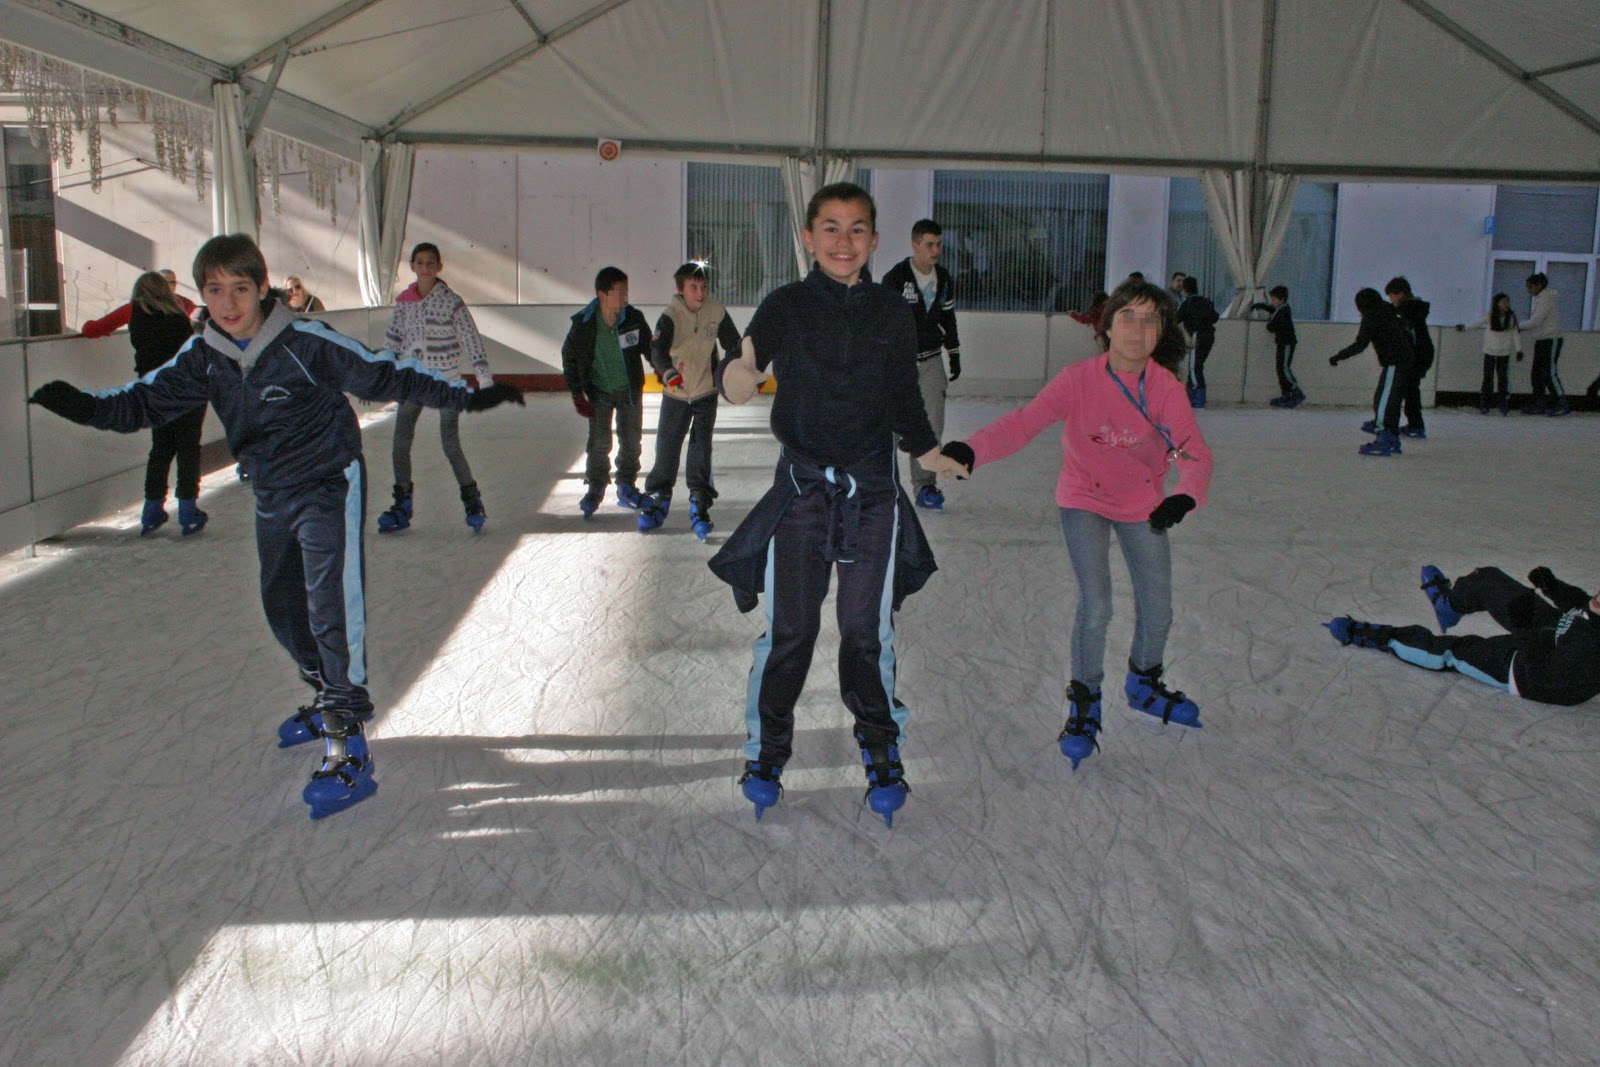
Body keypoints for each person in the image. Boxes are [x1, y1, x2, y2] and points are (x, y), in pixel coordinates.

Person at [28, 234, 525, 819]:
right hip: (270, 488)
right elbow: (141, 403)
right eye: (215, 290)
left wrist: (465, 399)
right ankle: (323, 692)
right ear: (202, 295)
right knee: (280, 606)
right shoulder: (204, 355)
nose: (229, 302)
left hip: (327, 481)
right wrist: (80, 405)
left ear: (262, 288)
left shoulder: (303, 342)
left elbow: (383, 374)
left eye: (240, 288)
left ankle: (348, 742)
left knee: (329, 606)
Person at [708, 181, 961, 825]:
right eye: (830, 227)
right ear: (808, 236)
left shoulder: (891, 312)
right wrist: (738, 376)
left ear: (874, 240)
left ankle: (880, 745)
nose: (843, 241)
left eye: (856, 230)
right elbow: (749, 360)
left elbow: (905, 396)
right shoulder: (787, 304)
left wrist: (928, 452)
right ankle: (767, 748)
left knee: (864, 631)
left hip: (873, 493)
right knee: (790, 631)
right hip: (801, 493)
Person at [937, 277, 1214, 771]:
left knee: (1159, 605)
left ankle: (1143, 684)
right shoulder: (1079, 379)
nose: (1138, 328)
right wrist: (972, 448)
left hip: (1143, 503)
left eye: (1151, 319)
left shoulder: (1166, 389)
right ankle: (1084, 703)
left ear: (1160, 332)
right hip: (1083, 498)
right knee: (1097, 604)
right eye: (1128, 316)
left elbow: (1192, 449)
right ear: (1107, 327)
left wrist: (1185, 494)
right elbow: (1024, 423)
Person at [1327, 564, 1600, 708]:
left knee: (1454, 652)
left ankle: (1386, 638)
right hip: (1556, 632)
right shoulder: (1594, 615)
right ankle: (1448, 605)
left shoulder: (1589, 652)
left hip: (1529, 673)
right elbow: (1584, 605)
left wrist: (1523, 628)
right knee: (1489, 581)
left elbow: (1544, 674)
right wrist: (1552, 586)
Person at [374, 243, 497, 533]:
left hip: (445, 382)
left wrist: (483, 374)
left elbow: (470, 336)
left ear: (439, 267)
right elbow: (392, 339)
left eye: (431, 262)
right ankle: (402, 503)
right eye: (420, 262)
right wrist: (380, 374)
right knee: (400, 440)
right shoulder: (404, 302)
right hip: (414, 381)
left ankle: (472, 501)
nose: (426, 267)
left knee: (449, 442)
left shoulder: (451, 301)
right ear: (413, 266)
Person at [638, 261, 740, 539]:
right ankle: (659, 496)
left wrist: (743, 370)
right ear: (681, 290)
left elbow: (734, 345)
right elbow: (657, 350)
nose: (700, 293)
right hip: (676, 393)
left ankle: (699, 501)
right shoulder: (671, 316)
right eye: (693, 287)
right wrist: (667, 372)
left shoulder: (716, 312)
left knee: (700, 448)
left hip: (706, 392)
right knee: (668, 445)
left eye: (704, 287)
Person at [881, 219, 963, 510]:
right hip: (897, 365)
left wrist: (953, 352)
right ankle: (882, 486)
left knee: (930, 427)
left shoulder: (943, 278)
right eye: (930, 244)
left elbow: (948, 319)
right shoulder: (895, 278)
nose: (936, 250)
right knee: (889, 426)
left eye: (939, 244)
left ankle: (925, 486)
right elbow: (881, 323)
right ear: (915, 245)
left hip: (931, 361)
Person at [561, 266, 653, 517]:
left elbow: (650, 350)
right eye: (619, 293)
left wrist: (665, 371)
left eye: (627, 292)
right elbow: (568, 357)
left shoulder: (633, 319)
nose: (625, 298)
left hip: (629, 392)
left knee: (631, 441)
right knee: (600, 443)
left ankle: (626, 485)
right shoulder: (584, 324)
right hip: (599, 392)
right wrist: (577, 393)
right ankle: (596, 486)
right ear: (602, 295)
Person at [1328, 287, 1415, 457]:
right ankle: (1392, 438)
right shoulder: (1386, 310)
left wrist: (1338, 357)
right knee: (1390, 400)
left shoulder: (1372, 316)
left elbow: (1360, 344)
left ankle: (1382, 435)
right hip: (1403, 359)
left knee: (1382, 401)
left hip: (1395, 361)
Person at [80, 268, 196, 336]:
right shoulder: (182, 305)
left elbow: (91, 330)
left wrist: (87, 324)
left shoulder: (131, 310)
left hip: (151, 372)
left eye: (172, 283)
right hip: (186, 370)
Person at [1384, 277, 1433, 438]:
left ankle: (1415, 425)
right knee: (1410, 389)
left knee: (1409, 390)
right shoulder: (1414, 307)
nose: (1391, 300)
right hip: (1421, 354)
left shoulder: (1408, 309)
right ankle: (1415, 424)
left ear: (1401, 294)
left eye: (1392, 295)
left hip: (1416, 355)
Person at [1455, 293, 1519, 415]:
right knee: (1488, 378)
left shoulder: (1511, 317)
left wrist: (1518, 349)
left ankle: (1503, 404)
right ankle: (1484, 404)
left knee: (1502, 379)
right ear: (1497, 303)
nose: (1507, 304)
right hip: (1489, 351)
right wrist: (1464, 328)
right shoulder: (1490, 316)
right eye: (1504, 301)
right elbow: (1477, 323)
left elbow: (1515, 333)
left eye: (1508, 301)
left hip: (1504, 352)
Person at [1522, 272, 1567, 416]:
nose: (1528, 290)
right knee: (1537, 373)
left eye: (1530, 287)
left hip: (1551, 339)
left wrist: (1518, 325)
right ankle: (1539, 402)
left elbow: (1536, 321)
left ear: (1539, 285)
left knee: (1549, 372)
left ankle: (1562, 403)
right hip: (1541, 339)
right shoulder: (1540, 299)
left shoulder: (1546, 299)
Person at [1176, 276, 1218, 408]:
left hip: (1197, 336)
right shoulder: (1205, 301)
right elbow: (1215, 317)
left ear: (1184, 288)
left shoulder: (1186, 303)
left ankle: (1197, 398)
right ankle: (1194, 396)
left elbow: (1176, 319)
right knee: (1197, 365)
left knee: (1194, 367)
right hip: (1209, 335)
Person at [1258, 285, 1303, 408]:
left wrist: (1269, 324)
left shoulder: (1284, 311)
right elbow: (1273, 311)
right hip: (1282, 343)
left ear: (1281, 300)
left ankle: (1295, 391)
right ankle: (1285, 394)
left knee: (1284, 368)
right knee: (1280, 368)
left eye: (1274, 300)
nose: (1272, 302)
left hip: (1287, 343)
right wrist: (1262, 306)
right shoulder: (1280, 309)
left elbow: (1273, 326)